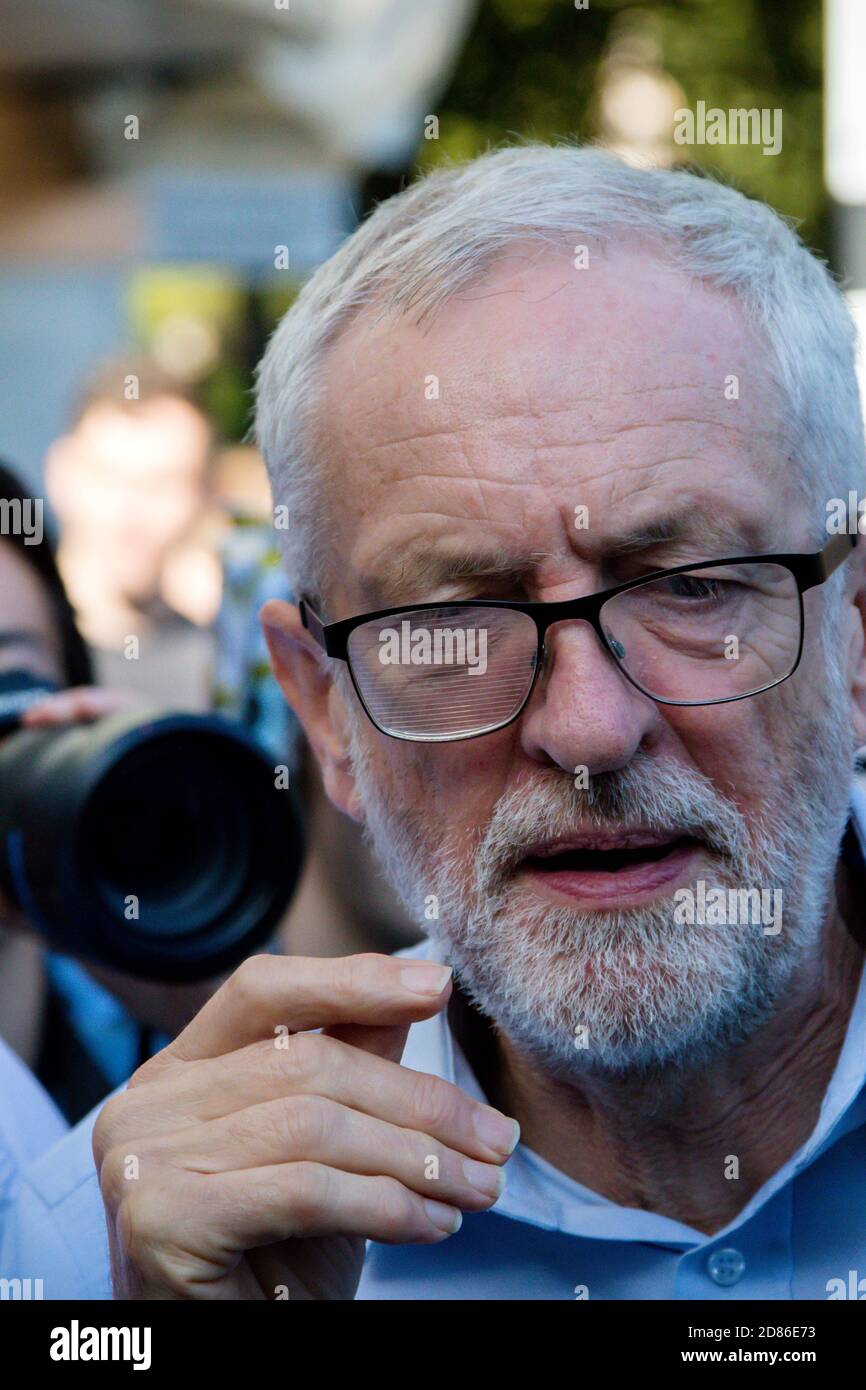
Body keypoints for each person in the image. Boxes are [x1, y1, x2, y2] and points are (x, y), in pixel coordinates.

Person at [8, 142, 866, 1300]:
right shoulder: (107, 1249)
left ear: (853, 634)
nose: (590, 728)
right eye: (452, 623)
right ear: (324, 710)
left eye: (689, 586)